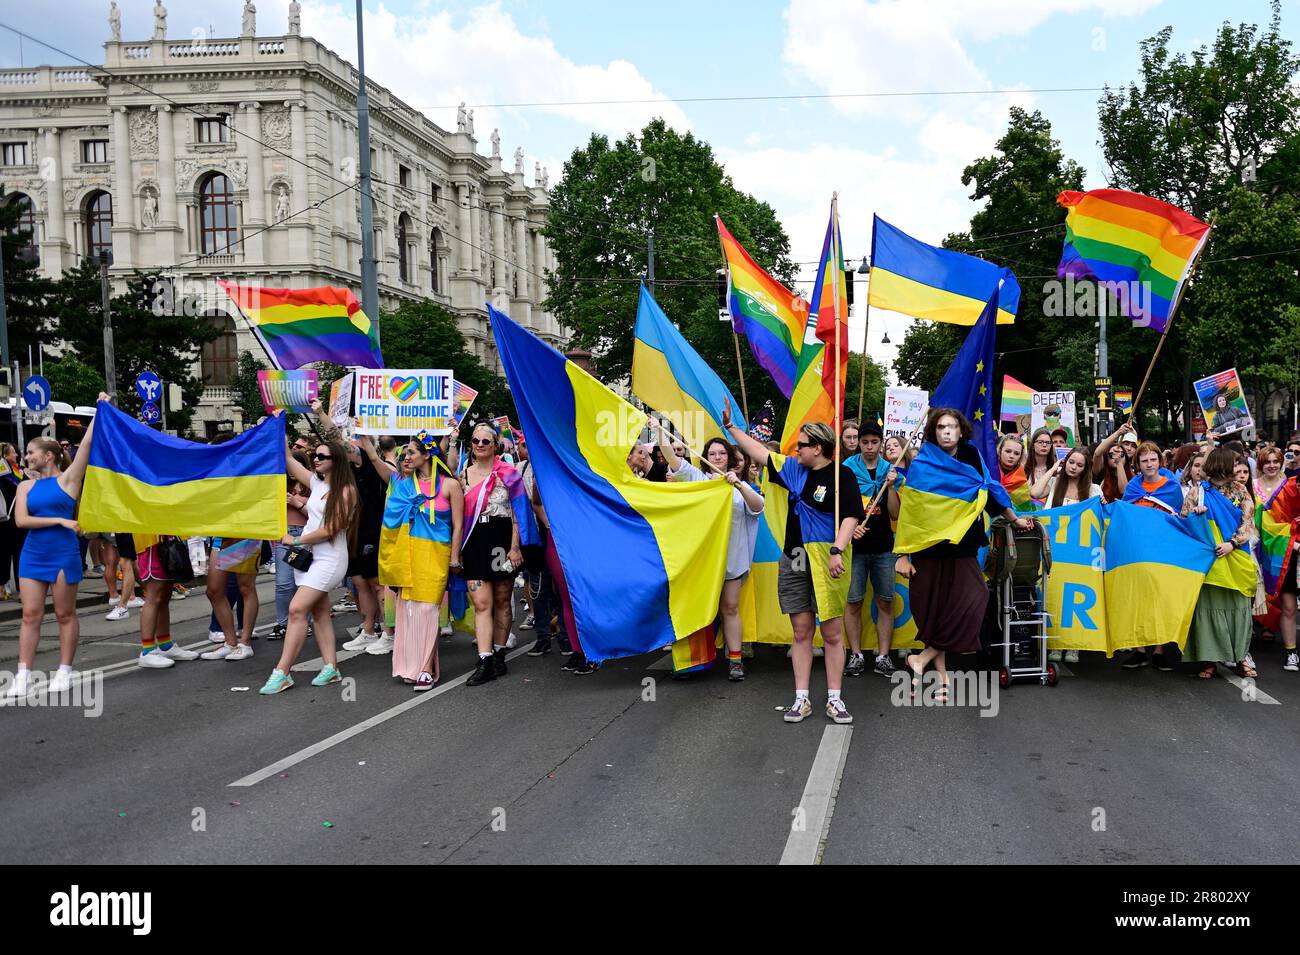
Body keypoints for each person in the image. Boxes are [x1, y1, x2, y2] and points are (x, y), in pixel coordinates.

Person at [724, 404, 864, 725]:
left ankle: (834, 699)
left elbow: (851, 516)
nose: (795, 449)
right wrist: (732, 428)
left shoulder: (842, 475)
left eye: (801, 445)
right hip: (794, 560)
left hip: (827, 560)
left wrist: (837, 550)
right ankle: (801, 699)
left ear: (818, 447)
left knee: (831, 633)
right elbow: (759, 453)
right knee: (801, 632)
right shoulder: (793, 470)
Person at [894, 409, 1031, 703]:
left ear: (960, 431)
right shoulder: (923, 463)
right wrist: (902, 554)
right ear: (933, 431)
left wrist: (1013, 517)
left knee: (975, 598)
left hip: (965, 545)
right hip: (930, 548)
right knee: (936, 610)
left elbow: (989, 491)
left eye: (952, 427)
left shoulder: (970, 455)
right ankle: (943, 678)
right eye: (941, 426)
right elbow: (912, 513)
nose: (946, 431)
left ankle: (922, 659)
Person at [5, 413, 104, 698]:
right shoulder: (25, 486)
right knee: (30, 614)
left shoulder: (69, 480)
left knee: (64, 613)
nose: (26, 457)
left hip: (63, 553)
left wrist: (100, 412)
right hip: (33, 554)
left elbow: (85, 445)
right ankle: (23, 674)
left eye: (31, 452)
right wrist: (60, 521)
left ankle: (64, 670)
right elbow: (21, 521)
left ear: (49, 456)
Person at [657, 424, 764, 681]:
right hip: (702, 561)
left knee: (730, 607)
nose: (717, 457)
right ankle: (693, 661)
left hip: (732, 559)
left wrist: (739, 485)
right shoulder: (698, 479)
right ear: (706, 457)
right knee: (697, 607)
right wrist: (659, 431)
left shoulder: (739, 485)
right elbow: (671, 457)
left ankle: (735, 660)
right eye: (712, 453)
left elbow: (759, 506)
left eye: (722, 453)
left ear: (729, 457)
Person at [259, 428, 359, 695]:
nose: (316, 460)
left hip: (329, 557)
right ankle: (331, 667)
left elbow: (331, 529)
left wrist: (296, 541)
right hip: (309, 558)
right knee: (319, 611)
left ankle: (282, 671)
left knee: (296, 609)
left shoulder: (346, 490)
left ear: (336, 461)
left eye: (322, 456)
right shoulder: (317, 483)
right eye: (315, 455)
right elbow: (290, 461)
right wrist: (278, 426)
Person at [362, 431, 462, 691]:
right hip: (408, 554)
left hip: (436, 554)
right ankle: (411, 667)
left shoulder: (450, 485)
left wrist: (454, 558)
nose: (405, 457)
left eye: (411, 453)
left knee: (428, 611)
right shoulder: (404, 486)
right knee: (409, 613)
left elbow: (458, 525)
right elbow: (389, 518)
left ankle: (426, 668)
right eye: (405, 453)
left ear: (427, 455)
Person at [460, 422, 536, 687]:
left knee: (502, 600)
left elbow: (518, 515)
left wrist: (515, 548)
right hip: (473, 542)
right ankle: (485, 658)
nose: (480, 445)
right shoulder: (463, 475)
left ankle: (500, 652)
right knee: (481, 603)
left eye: (485, 441)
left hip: (501, 541)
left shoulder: (509, 474)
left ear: (496, 446)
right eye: (475, 441)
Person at [1181, 447, 1256, 679]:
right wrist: (1196, 514)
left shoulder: (1240, 491)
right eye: (1233, 464)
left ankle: (1242, 657)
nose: (1238, 469)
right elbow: (1183, 522)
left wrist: (1232, 543)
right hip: (1209, 560)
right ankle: (1210, 659)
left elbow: (1248, 522)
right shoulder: (1197, 492)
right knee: (1207, 610)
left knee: (1239, 610)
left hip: (1235, 557)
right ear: (1221, 465)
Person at [841, 423, 901, 678]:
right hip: (854, 549)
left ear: (881, 443)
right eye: (864, 442)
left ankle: (884, 656)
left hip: (884, 547)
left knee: (885, 601)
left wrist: (890, 487)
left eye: (873, 442)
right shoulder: (846, 470)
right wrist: (850, 529)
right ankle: (855, 655)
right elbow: (841, 508)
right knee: (853, 601)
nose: (868, 447)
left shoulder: (890, 471)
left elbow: (895, 513)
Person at [1119, 440, 1184, 671]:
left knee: (1159, 599)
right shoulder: (1133, 488)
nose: (1149, 464)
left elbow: (1178, 520)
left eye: (1153, 459)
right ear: (1137, 464)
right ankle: (1138, 650)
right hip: (1136, 551)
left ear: (1160, 461)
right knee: (1137, 599)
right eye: (1144, 460)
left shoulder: (1172, 488)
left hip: (1162, 551)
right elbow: (1124, 517)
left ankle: (1159, 649)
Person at [269, 451, 311, 641]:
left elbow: (321, 514)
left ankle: (305, 622)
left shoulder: (314, 485)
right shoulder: (279, 484)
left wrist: (297, 502)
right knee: (283, 583)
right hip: (285, 538)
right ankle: (283, 623)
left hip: (305, 539)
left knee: (304, 584)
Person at [1031, 445, 1101, 508]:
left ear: (1085, 469)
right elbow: (1034, 493)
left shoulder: (1093, 489)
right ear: (1065, 461)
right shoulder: (1054, 482)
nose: (1074, 467)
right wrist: (1052, 469)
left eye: (1079, 465)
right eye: (1071, 462)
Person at [0, 441, 27, 601]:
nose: (16, 455)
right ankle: (6, 587)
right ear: (4, 456)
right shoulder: (6, 475)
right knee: (8, 554)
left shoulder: (21, 471)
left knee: (14, 554)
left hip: (15, 519)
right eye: (12, 453)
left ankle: (17, 587)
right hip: (8, 520)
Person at [995, 433, 1033, 512]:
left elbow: (1025, 510)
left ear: (1020, 456)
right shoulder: (989, 471)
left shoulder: (1021, 479)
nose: (1012, 456)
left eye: (1016, 453)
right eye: (1008, 451)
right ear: (1000, 451)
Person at [1024, 428, 1056, 502]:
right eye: (1040, 442)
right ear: (1032, 445)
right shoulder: (1024, 467)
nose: (1044, 445)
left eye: (1048, 442)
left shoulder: (1055, 469)